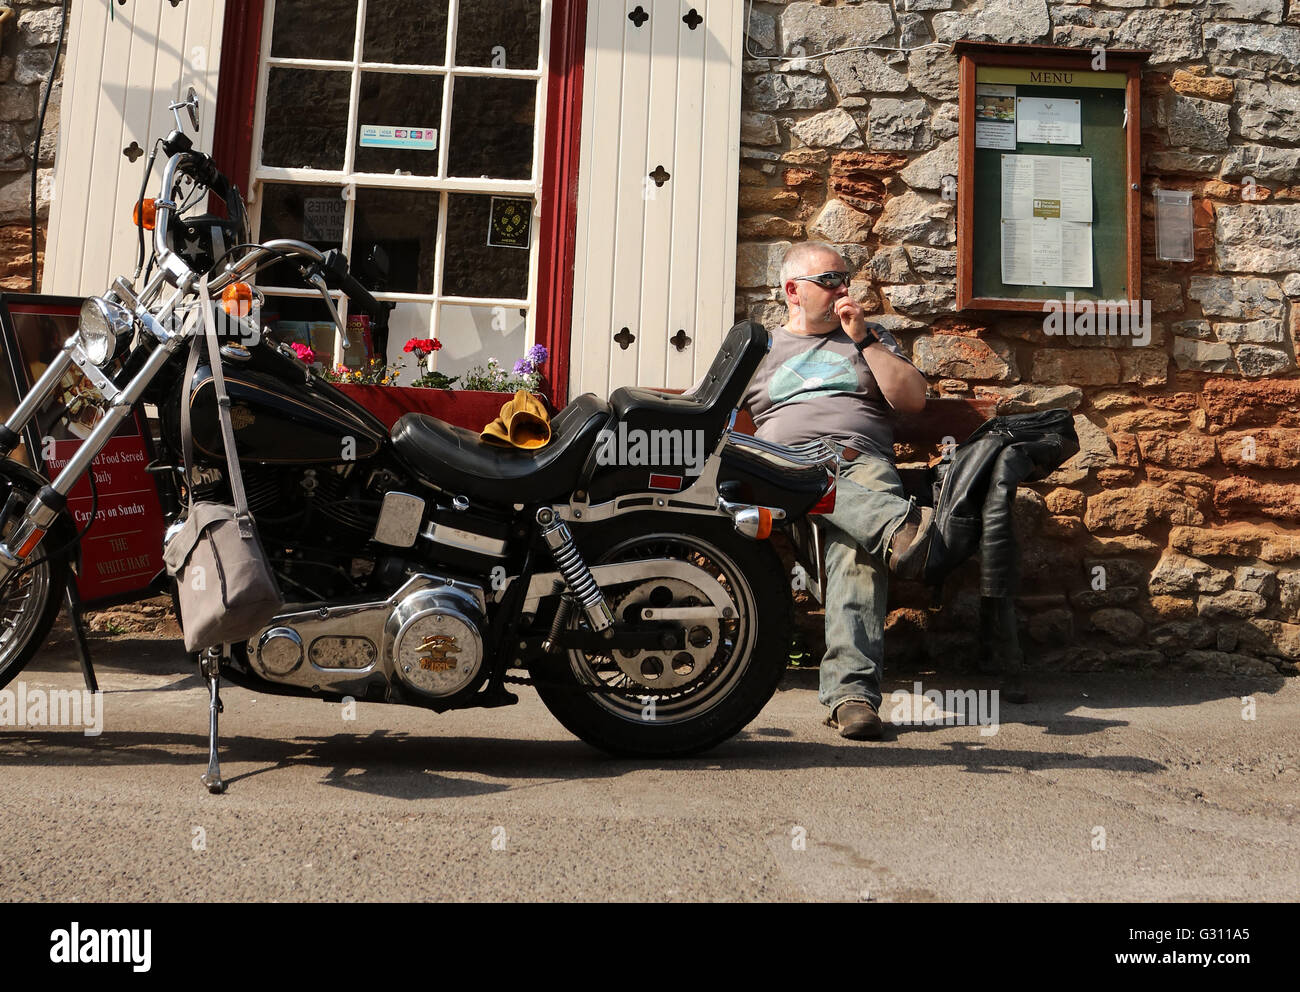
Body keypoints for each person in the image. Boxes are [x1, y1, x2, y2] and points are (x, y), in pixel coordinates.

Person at [740, 241, 934, 741]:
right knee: (867, 523)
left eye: (843, 279)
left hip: (860, 465)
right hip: (786, 471)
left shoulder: (871, 338)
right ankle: (898, 529)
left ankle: (851, 697)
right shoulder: (759, 349)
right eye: (828, 280)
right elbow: (713, 415)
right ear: (792, 291)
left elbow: (913, 401)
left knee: (853, 544)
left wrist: (864, 339)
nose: (841, 289)